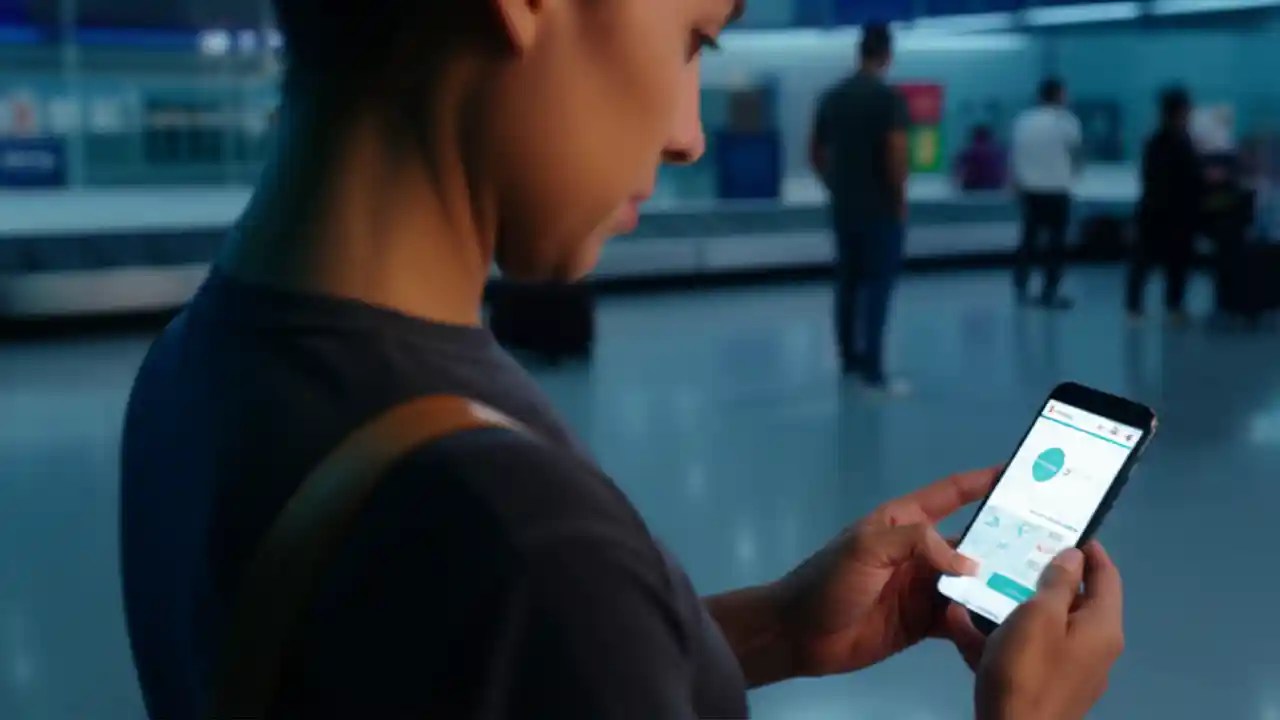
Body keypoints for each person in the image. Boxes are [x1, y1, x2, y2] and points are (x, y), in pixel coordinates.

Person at [120, 1, 1126, 717]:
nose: (687, 133)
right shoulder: (514, 535)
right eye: (692, 39)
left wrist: (774, 630)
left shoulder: (194, 366)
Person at [810, 23, 911, 394]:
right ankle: (874, 369)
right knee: (878, 288)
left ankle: (848, 360)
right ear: (887, 54)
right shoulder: (888, 99)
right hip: (881, 208)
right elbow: (896, 153)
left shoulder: (832, 97)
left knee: (848, 285)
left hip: (844, 207)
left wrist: (835, 185)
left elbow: (815, 152)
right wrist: (899, 201)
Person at [1127, 87, 1202, 323]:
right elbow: (1189, 177)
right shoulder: (1181, 141)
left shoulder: (1155, 141)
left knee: (1145, 260)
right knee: (1176, 261)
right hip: (1173, 211)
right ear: (1181, 111)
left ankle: (1134, 307)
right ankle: (1173, 307)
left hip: (1153, 208)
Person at [1011, 77, 1083, 310]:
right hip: (1057, 189)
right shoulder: (1067, 122)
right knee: (1055, 242)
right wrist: (1075, 175)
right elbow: (1076, 154)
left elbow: (1015, 153)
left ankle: (1021, 285)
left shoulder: (1023, 120)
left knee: (1029, 238)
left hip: (1029, 189)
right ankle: (1049, 290)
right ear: (1059, 95)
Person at [956, 124, 1007, 192]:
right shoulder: (998, 152)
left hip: (973, 189)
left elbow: (959, 172)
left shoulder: (969, 152)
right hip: (994, 189)